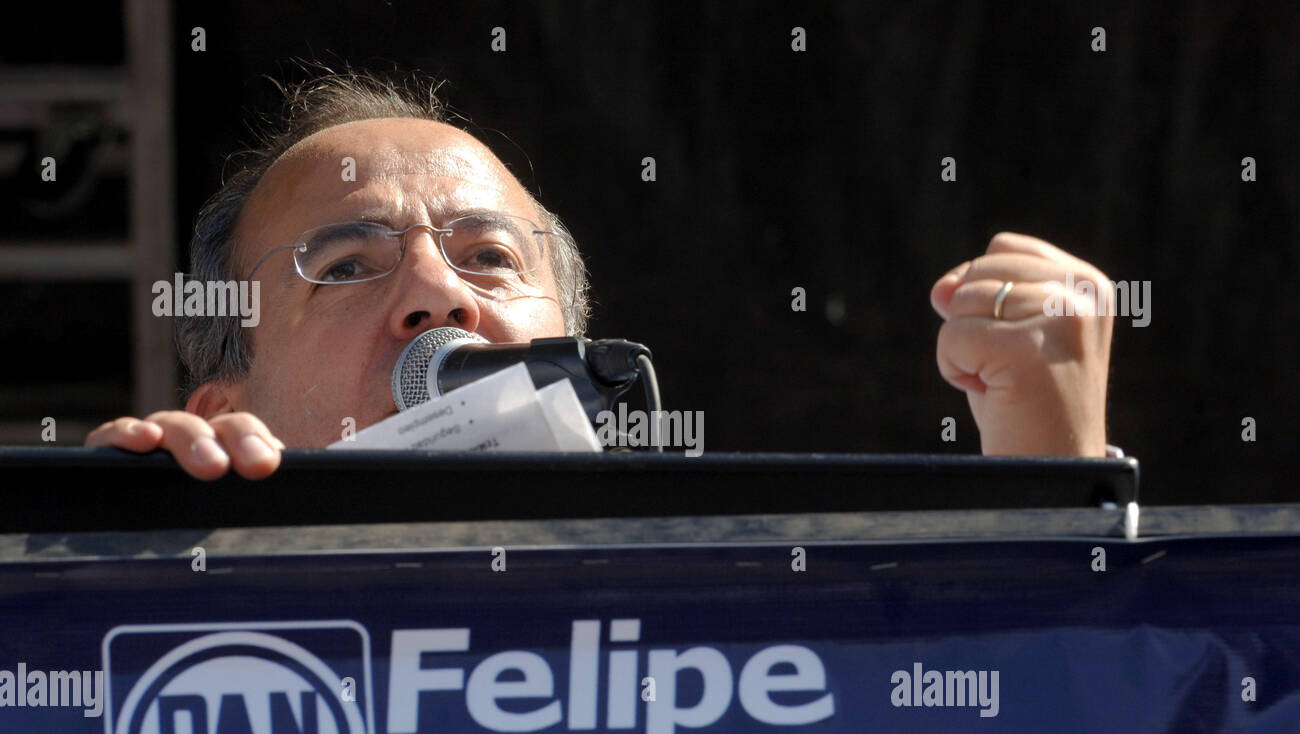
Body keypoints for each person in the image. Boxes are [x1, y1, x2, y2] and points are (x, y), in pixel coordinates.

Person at [86, 70, 1116, 479]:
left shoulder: (755, 621)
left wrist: (1049, 466)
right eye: (349, 264)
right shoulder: (150, 652)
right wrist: (97, 571)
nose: (441, 295)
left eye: (491, 257)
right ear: (229, 402)